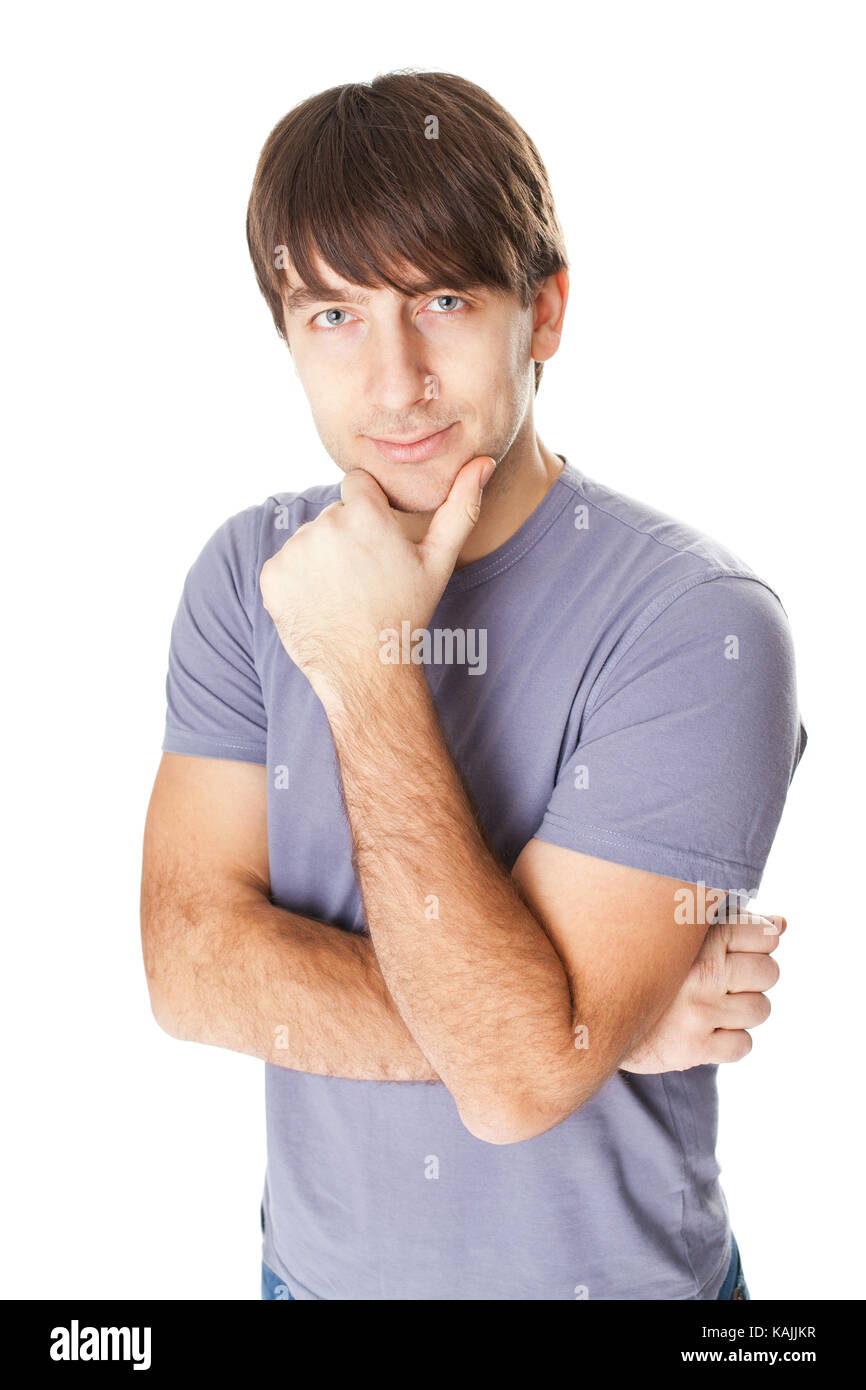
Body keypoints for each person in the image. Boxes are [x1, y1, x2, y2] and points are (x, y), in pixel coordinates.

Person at [141, 71, 807, 1300]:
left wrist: (366, 666)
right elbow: (189, 966)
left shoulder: (696, 625)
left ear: (542, 312)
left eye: (440, 299)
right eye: (332, 315)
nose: (394, 382)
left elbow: (511, 1086)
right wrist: (586, 1035)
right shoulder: (247, 576)